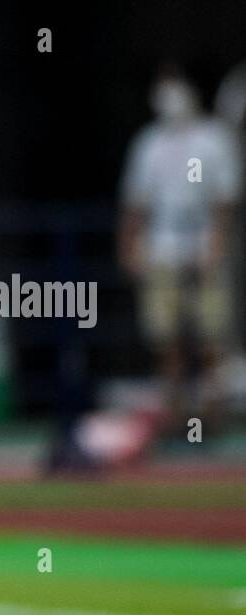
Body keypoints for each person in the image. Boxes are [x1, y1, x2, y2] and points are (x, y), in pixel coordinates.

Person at [118, 65, 241, 434]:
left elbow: (225, 199)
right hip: (163, 249)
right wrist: (128, 247)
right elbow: (135, 203)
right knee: (165, 339)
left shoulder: (213, 139)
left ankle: (213, 419)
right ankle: (175, 420)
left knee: (212, 338)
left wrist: (217, 244)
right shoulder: (149, 142)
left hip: (204, 247)